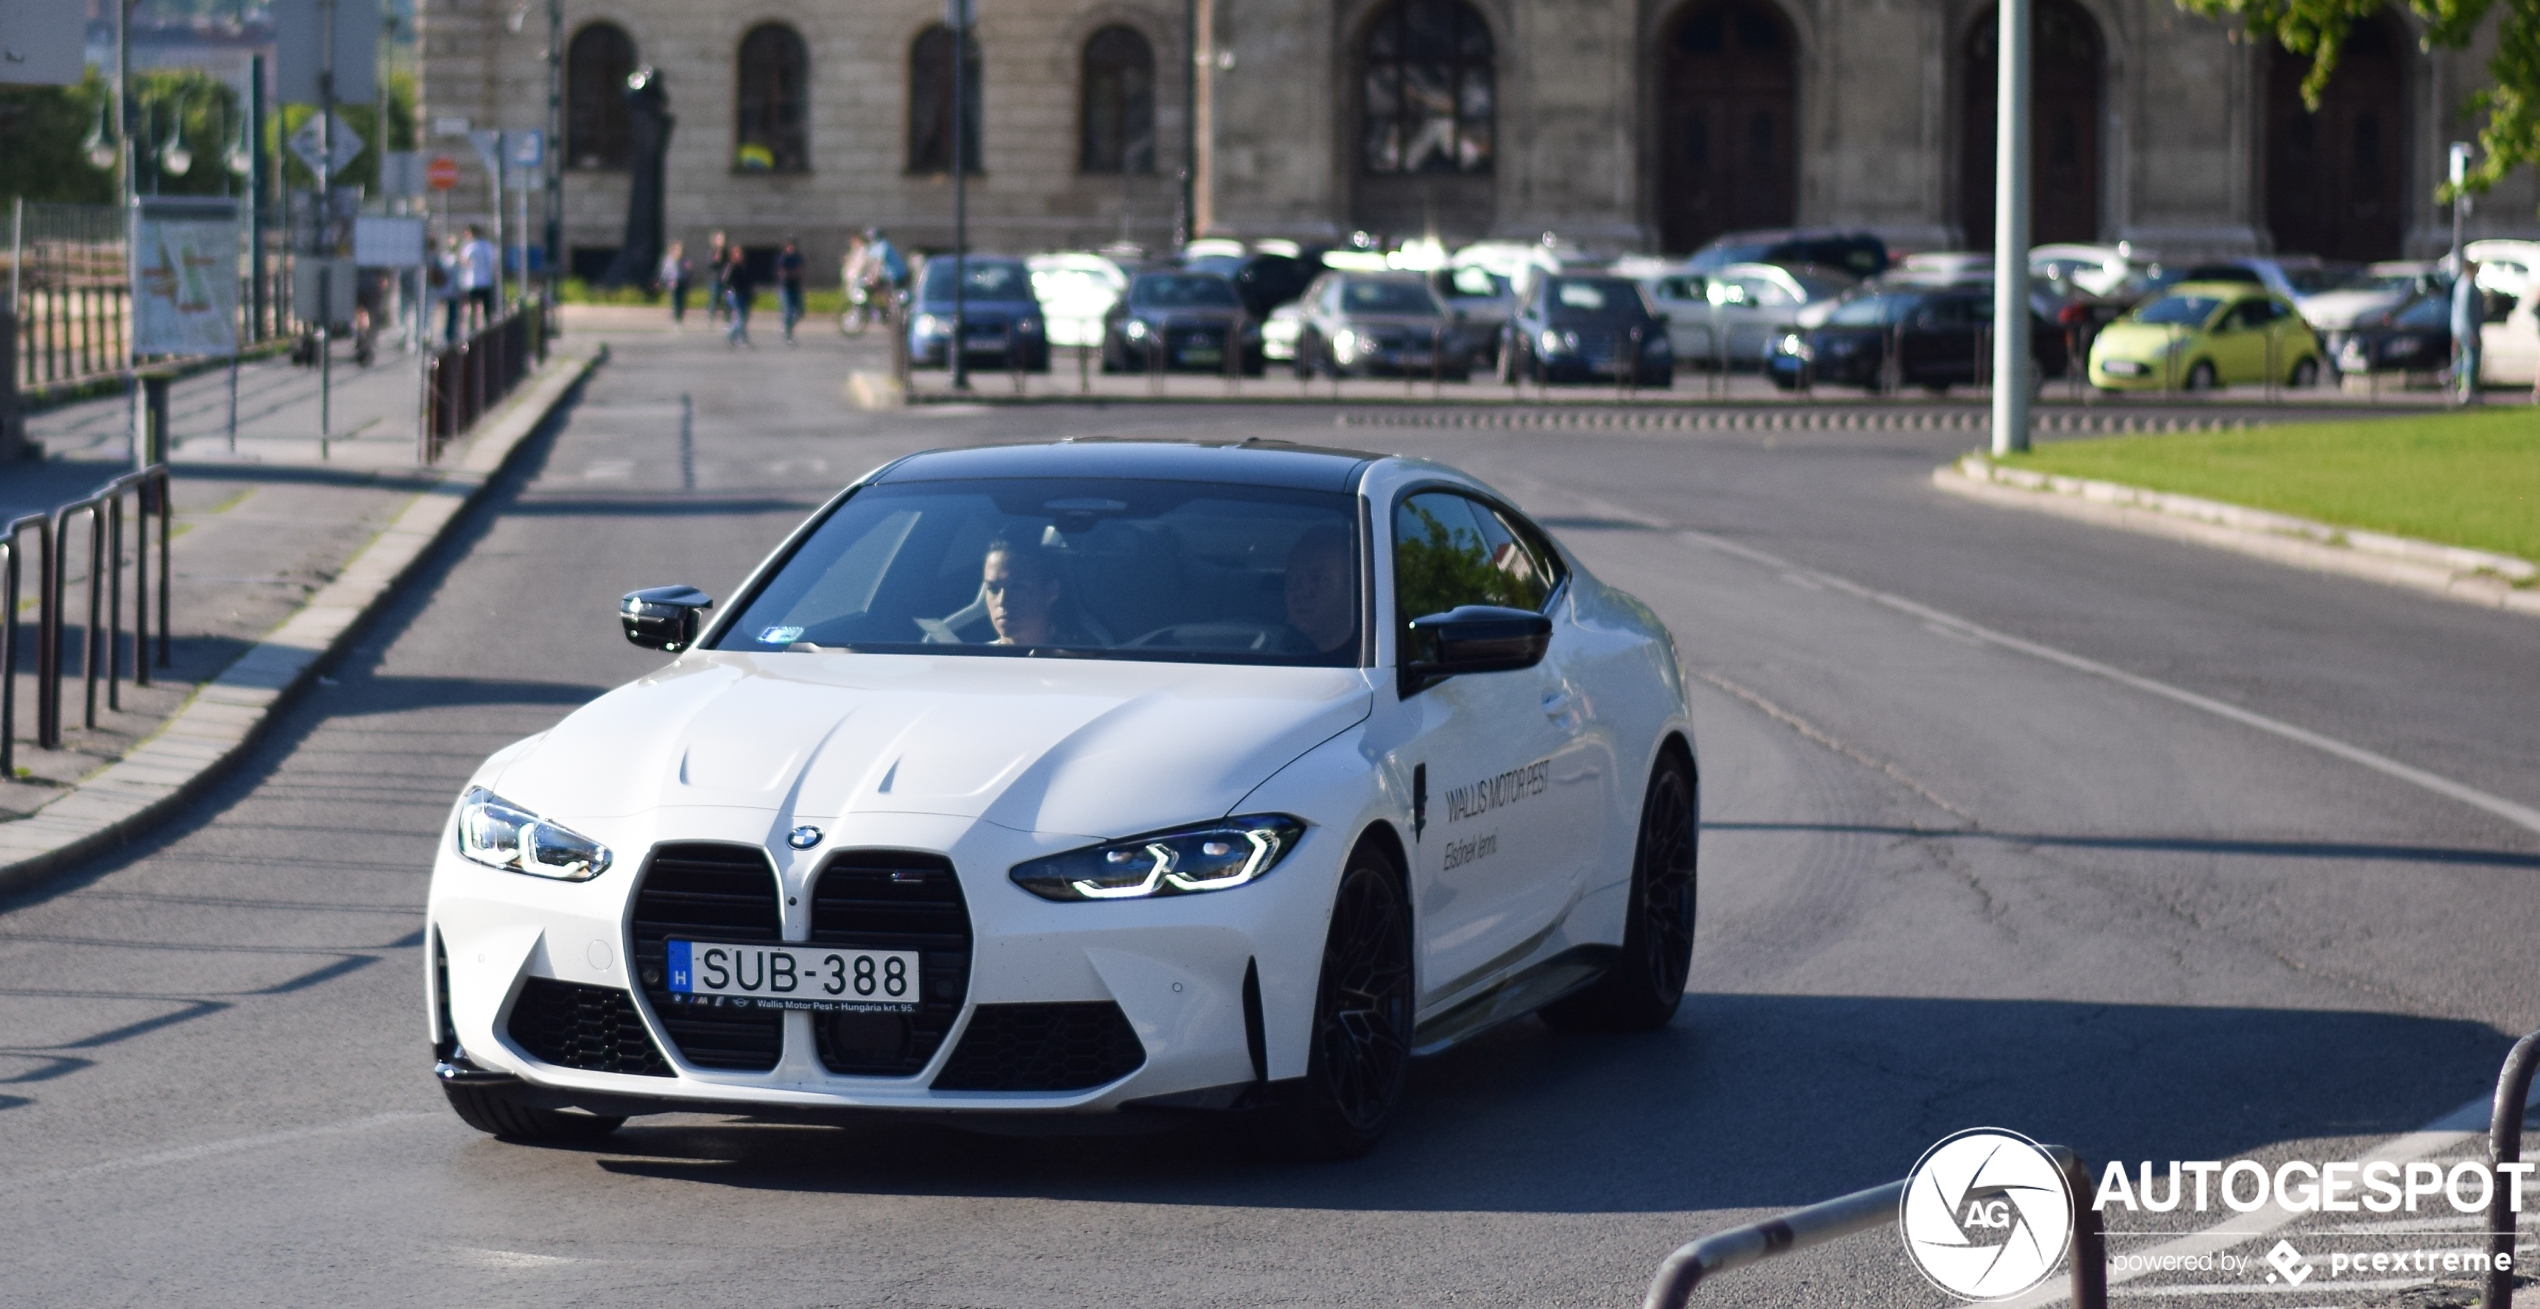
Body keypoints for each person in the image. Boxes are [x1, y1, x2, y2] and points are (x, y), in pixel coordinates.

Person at [981, 538, 1095, 646]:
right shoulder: (974, 661)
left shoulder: (1081, 662)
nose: (1003, 600)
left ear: (1051, 592)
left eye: (1018, 587)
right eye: (993, 588)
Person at [1276, 524, 1358, 655]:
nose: (1302, 592)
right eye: (1294, 579)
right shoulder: (1273, 657)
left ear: (1353, 588)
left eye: (1318, 579)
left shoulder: (1387, 655)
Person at [2452, 259, 2484, 406]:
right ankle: (2468, 389)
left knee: (2464, 358)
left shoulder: (2460, 284)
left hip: (2460, 328)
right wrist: (2471, 332)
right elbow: (2466, 312)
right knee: (2471, 359)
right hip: (2469, 329)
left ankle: (2460, 384)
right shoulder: (2468, 286)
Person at [457, 224, 499, 332]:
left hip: (473, 282)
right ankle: (489, 329)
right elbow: (494, 262)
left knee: (472, 308)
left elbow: (463, 261)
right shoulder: (488, 246)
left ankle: (473, 330)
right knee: (487, 309)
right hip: (486, 281)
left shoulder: (471, 247)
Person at [723, 246, 757, 347]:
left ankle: (734, 335)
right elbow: (725, 281)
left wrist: (752, 292)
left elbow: (750, 280)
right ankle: (739, 338)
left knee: (745, 317)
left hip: (745, 294)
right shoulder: (731, 266)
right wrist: (730, 291)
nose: (739, 256)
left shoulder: (745, 266)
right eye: (736, 254)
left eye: (740, 254)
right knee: (741, 317)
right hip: (735, 294)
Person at [776, 237, 806, 344]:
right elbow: (782, 273)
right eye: (789, 246)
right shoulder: (783, 258)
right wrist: (793, 273)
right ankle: (788, 333)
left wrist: (794, 273)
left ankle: (787, 326)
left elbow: (801, 270)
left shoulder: (798, 257)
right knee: (788, 311)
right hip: (786, 288)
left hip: (796, 287)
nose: (791, 248)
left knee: (800, 312)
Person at [657, 242, 692, 328]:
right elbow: (665, 271)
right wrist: (668, 280)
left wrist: (687, 272)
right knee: (675, 301)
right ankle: (676, 320)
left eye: (679, 249)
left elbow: (688, 272)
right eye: (676, 249)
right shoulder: (669, 260)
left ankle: (680, 319)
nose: (678, 251)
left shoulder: (684, 260)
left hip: (682, 283)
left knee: (682, 302)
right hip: (672, 283)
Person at [705, 230, 730, 326]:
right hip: (715, 279)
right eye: (719, 238)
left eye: (722, 238)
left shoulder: (726, 251)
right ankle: (710, 318)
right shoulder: (712, 251)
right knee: (715, 298)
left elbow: (729, 264)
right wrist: (716, 260)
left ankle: (727, 320)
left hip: (725, 279)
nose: (721, 240)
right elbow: (710, 265)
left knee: (727, 299)